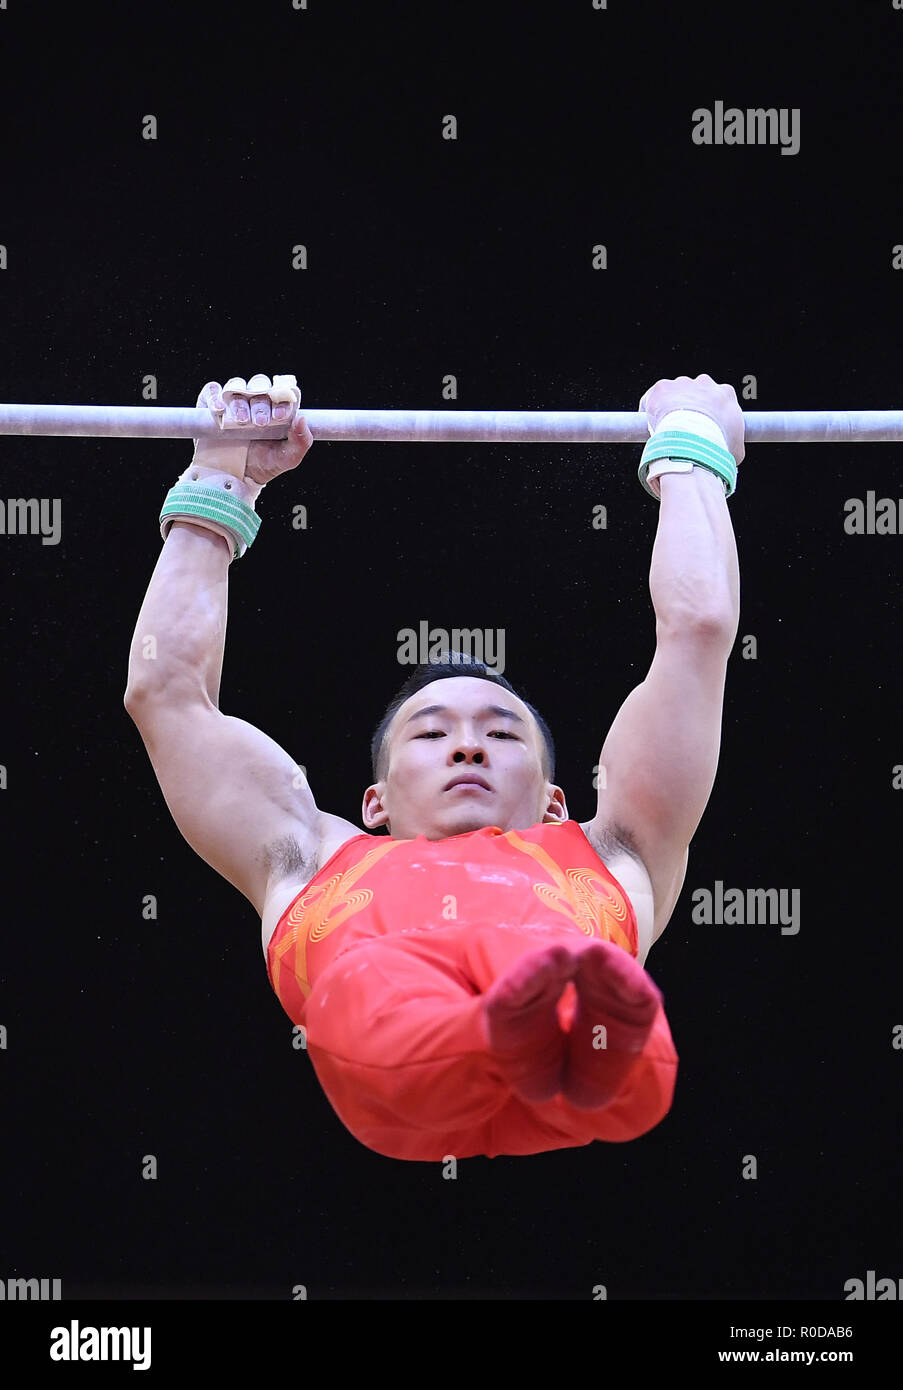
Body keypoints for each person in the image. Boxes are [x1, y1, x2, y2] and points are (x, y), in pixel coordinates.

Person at [124, 370, 743, 1161]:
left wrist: (688, 452)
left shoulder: (615, 850)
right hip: (406, 1070)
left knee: (558, 970)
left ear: (556, 803)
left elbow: (697, 630)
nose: (467, 744)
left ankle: (541, 1021)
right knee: (382, 977)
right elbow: (165, 693)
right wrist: (219, 480)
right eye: (429, 733)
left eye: (502, 733)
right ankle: (504, 1026)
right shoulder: (309, 856)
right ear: (373, 803)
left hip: (574, 1054)